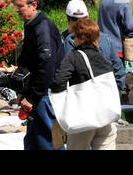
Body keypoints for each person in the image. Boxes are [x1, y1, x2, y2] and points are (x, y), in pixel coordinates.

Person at [50, 18, 119, 150]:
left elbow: (59, 81)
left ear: (81, 38)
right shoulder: (103, 58)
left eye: (74, 36)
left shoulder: (73, 56)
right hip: (106, 117)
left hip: (83, 119)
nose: (73, 39)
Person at [14, 0, 63, 151]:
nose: (16, 9)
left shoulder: (43, 28)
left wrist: (33, 96)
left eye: (20, 6)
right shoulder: (31, 25)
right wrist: (23, 91)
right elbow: (30, 63)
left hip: (44, 96)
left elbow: (46, 67)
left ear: (33, 5)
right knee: (32, 142)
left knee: (48, 142)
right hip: (37, 94)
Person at [98, 0, 133, 95]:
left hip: (101, 46)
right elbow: (130, 27)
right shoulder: (124, 4)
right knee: (117, 78)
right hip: (117, 49)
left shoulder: (103, 2)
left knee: (104, 79)